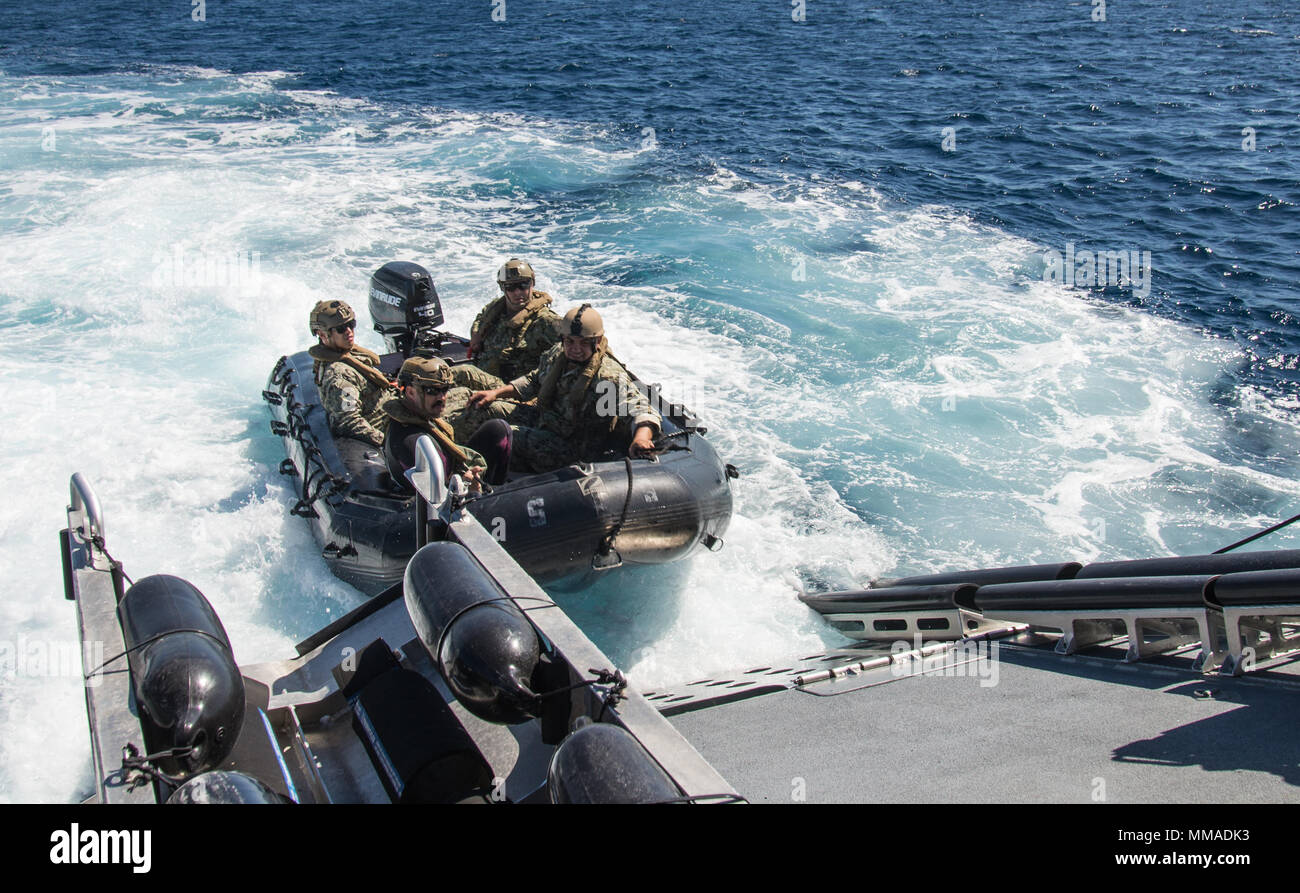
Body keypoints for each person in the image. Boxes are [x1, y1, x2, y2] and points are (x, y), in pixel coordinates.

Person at [468, 304, 659, 473]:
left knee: (504, 436)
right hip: (547, 420)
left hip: (572, 446)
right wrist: (496, 393)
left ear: (598, 341)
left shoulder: (606, 377)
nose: (576, 348)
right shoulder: (558, 355)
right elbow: (534, 380)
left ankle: (482, 479)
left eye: (584, 343)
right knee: (486, 411)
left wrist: (641, 438)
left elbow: (640, 408)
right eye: (570, 341)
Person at [383, 356, 512, 491]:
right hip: (444, 499)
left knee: (498, 429)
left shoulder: (421, 417)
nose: (442, 397)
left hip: (453, 476)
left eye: (445, 389)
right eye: (432, 390)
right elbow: (437, 502)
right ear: (410, 392)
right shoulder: (413, 443)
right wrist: (469, 488)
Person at [451, 258, 561, 391]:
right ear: (502, 287)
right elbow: (480, 319)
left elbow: (574, 343)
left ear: (532, 283)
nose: (517, 292)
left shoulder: (545, 321)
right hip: (485, 376)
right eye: (511, 287)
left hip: (511, 389)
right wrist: (475, 334)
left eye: (523, 285)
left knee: (460, 374)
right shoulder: (495, 310)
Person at [308, 299, 397, 447]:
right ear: (322, 335)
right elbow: (349, 421)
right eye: (341, 328)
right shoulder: (339, 376)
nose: (349, 331)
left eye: (351, 324)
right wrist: (388, 444)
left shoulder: (348, 354)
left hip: (393, 408)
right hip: (389, 423)